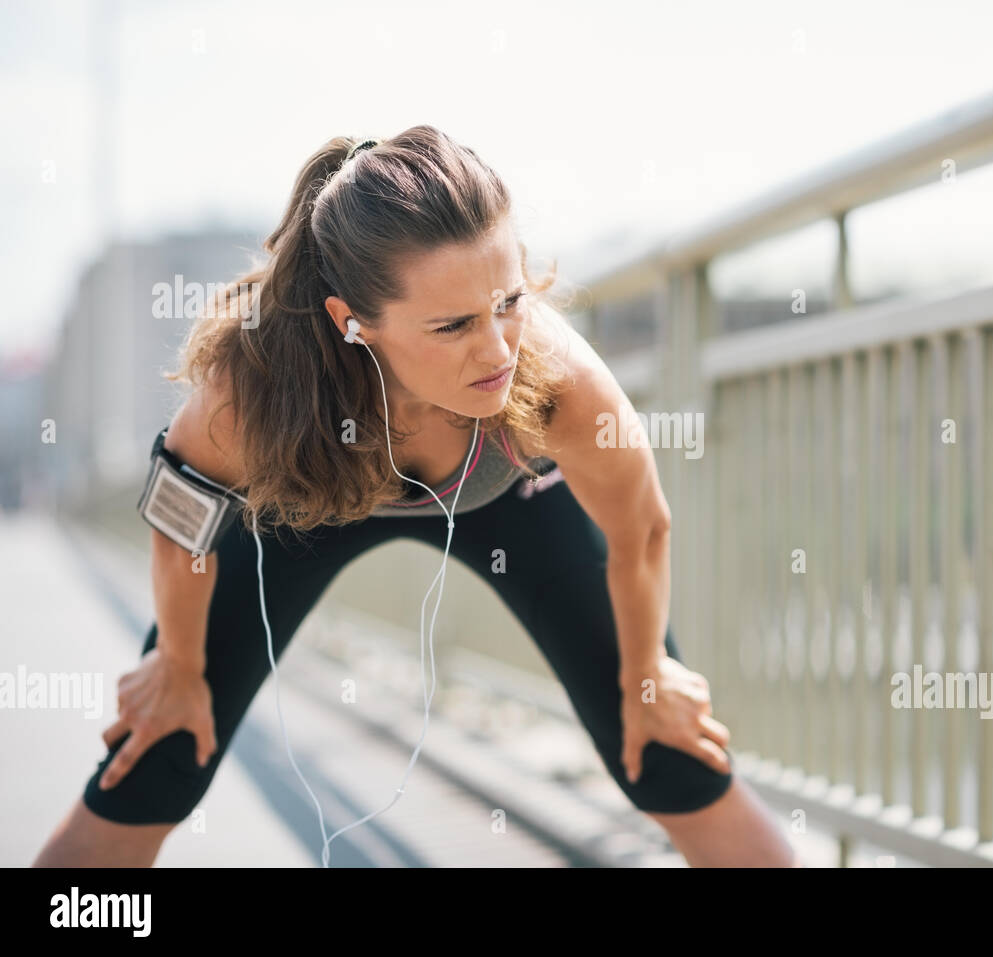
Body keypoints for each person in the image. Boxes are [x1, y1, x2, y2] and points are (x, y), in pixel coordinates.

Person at [33, 126, 797, 868]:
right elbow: (180, 518)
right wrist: (178, 663)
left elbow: (643, 530)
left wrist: (648, 676)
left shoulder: (556, 381)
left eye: (508, 299)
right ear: (352, 322)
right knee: (160, 754)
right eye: (453, 324)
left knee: (667, 749)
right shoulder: (255, 384)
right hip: (305, 502)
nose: (497, 349)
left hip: (504, 501)